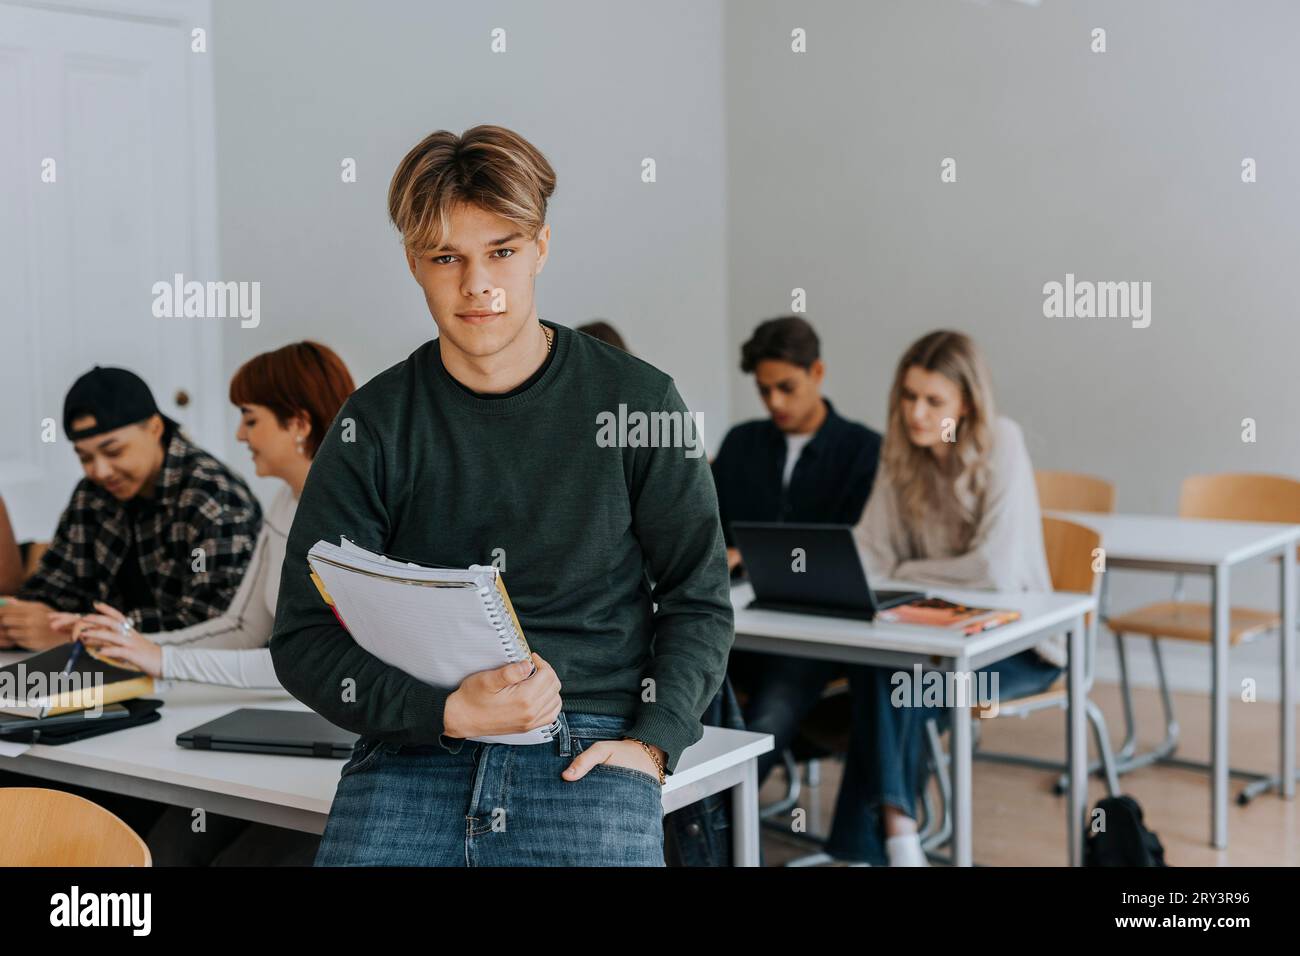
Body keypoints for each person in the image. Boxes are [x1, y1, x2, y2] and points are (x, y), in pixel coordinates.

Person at [269, 124, 734, 866]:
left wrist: (653, 742)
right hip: (418, 739)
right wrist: (445, 711)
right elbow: (300, 635)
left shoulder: (639, 401)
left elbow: (698, 595)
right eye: (446, 257)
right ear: (413, 264)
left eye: (502, 252)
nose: (476, 284)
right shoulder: (376, 422)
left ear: (541, 247)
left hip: (586, 741)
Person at [831, 329, 1060, 866]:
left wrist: (906, 570)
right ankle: (897, 834)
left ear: (967, 404)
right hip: (931, 638)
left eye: (934, 401)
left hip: (1018, 648)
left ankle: (875, 844)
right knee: (881, 666)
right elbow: (868, 550)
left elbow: (992, 569)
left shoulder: (1001, 441)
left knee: (900, 681)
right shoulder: (901, 453)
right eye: (909, 396)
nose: (916, 412)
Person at [49, 343, 354, 691]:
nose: (239, 433)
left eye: (250, 419)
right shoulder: (286, 501)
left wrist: (162, 658)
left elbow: (317, 664)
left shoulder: (344, 514)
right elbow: (241, 627)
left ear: (298, 423)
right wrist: (126, 645)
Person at [711, 316, 881, 786]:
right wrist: (723, 553)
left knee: (772, 708)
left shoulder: (863, 450)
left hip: (818, 633)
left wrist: (746, 555)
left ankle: (721, 835)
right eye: (764, 391)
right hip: (739, 622)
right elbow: (711, 527)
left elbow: (857, 549)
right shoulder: (742, 443)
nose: (775, 402)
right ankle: (688, 826)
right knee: (684, 685)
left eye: (786, 387)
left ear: (818, 373)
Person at [0, 367, 261, 651]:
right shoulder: (93, 494)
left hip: (201, 676)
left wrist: (80, 631)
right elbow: (58, 583)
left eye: (114, 452)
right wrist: (21, 621)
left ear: (155, 428)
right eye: (85, 457)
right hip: (115, 668)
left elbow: (212, 625)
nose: (100, 470)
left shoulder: (213, 498)